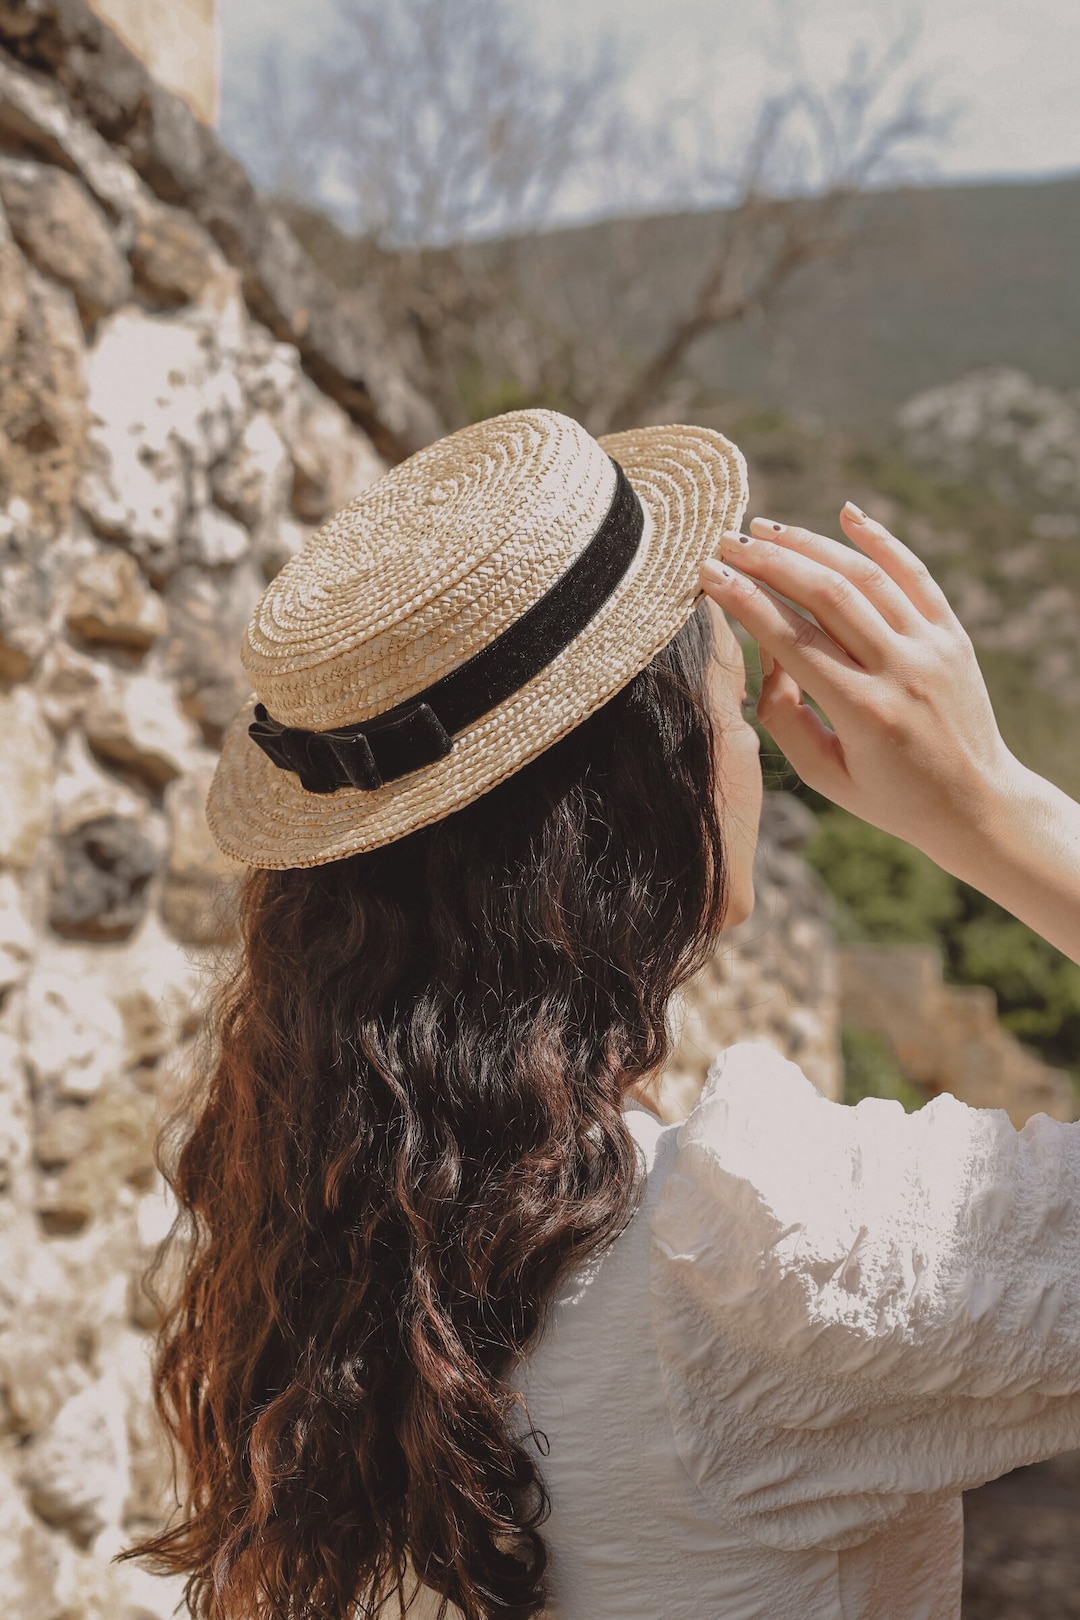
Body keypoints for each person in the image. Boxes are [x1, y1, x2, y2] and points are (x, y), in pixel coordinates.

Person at [126, 410, 1080, 1620]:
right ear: (655, 778)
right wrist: (995, 812)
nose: (757, 753)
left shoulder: (326, 1243)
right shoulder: (769, 1257)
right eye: (733, 709)